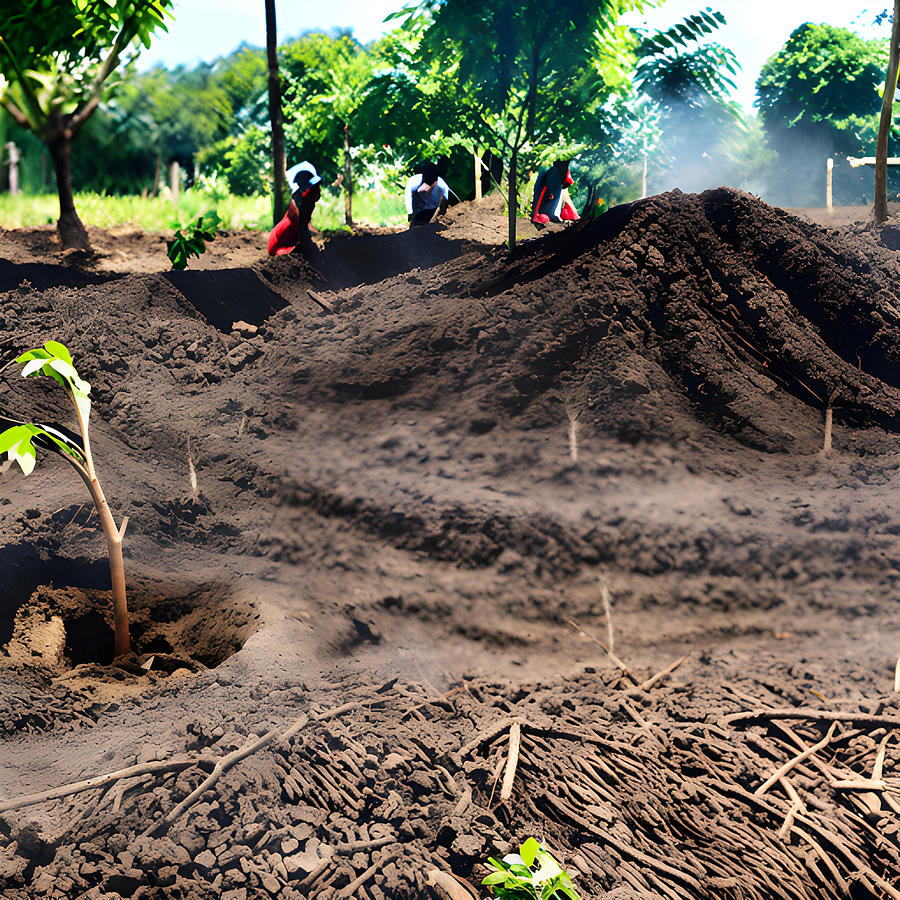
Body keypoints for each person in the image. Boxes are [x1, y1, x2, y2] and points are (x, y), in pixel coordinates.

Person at [267, 161, 322, 256]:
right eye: (314, 189)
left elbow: (306, 228)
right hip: (280, 248)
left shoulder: (308, 205)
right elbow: (302, 231)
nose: (318, 192)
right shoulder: (297, 211)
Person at [531, 159, 580, 226]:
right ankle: (541, 214)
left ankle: (543, 214)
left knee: (554, 195)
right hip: (555, 173)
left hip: (558, 174)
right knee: (551, 195)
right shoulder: (553, 169)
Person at [404, 161, 450, 226]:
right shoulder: (413, 182)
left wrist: (440, 215)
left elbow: (445, 201)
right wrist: (410, 212)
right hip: (418, 210)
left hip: (432, 210)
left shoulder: (442, 185)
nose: (426, 188)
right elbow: (408, 197)